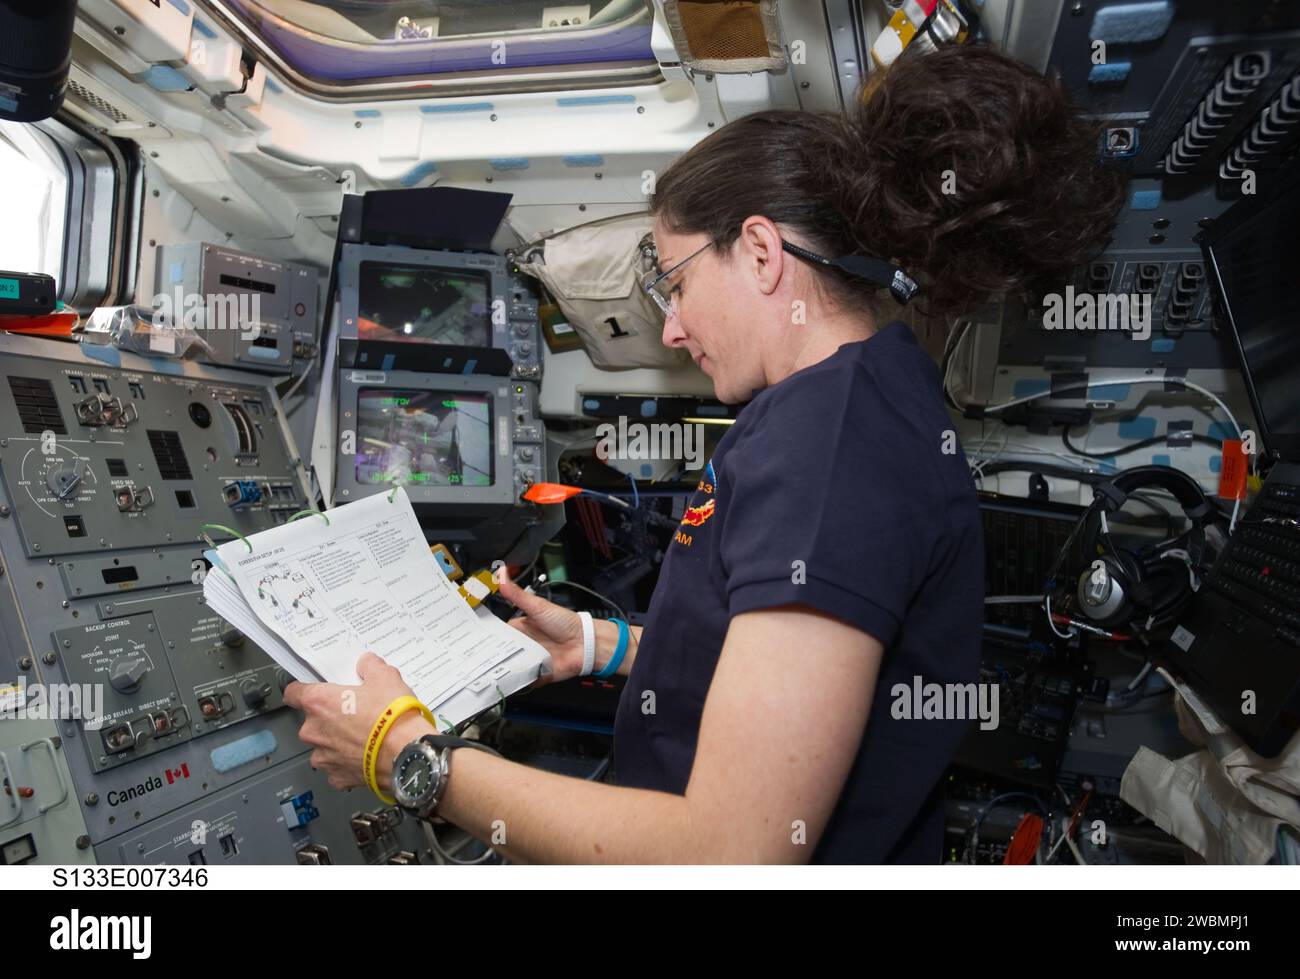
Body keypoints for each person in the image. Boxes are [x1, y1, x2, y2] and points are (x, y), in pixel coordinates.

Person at [284, 44, 1123, 863]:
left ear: (760, 252)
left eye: (676, 283)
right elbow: (787, 681)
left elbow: (731, 851)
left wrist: (410, 757)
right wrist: (602, 645)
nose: (674, 328)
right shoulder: (856, 399)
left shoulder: (830, 448)